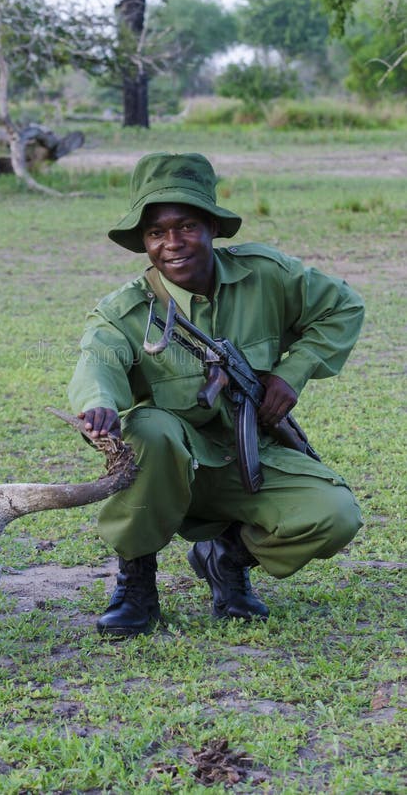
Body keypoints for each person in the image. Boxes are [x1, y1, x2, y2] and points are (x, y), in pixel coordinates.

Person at [68, 152, 364, 637]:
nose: (172, 244)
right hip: (168, 467)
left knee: (335, 516)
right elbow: (96, 362)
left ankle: (226, 558)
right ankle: (137, 581)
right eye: (156, 233)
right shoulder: (127, 310)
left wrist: (291, 373)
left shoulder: (266, 275)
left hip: (250, 459)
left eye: (185, 226)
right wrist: (97, 405)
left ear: (210, 227)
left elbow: (344, 307)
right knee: (148, 427)